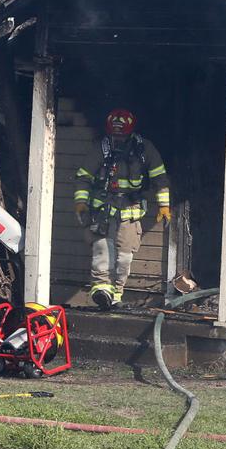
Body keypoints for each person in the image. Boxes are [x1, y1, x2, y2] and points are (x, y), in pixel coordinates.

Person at [73, 108, 171, 310]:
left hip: (130, 212)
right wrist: (81, 202)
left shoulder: (145, 149)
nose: (118, 139)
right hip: (103, 211)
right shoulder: (101, 148)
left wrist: (164, 205)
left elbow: (160, 178)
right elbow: (83, 177)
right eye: (114, 134)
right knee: (102, 250)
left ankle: (115, 295)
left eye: (122, 134)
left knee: (124, 257)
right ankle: (101, 290)